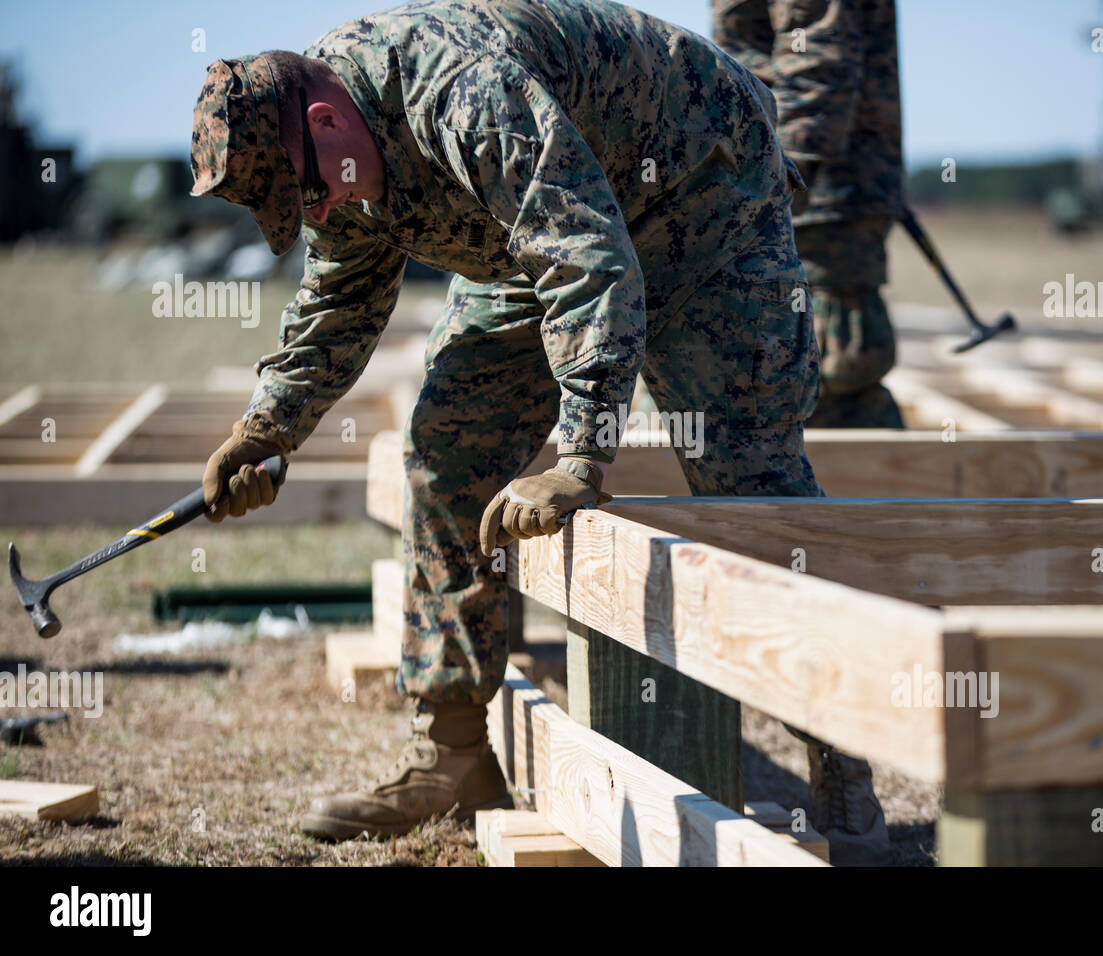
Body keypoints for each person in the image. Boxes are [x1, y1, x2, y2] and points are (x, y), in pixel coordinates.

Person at [192, 0, 881, 864]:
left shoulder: (460, 91)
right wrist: (266, 429)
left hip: (699, 195)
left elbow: (586, 256)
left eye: (312, 193)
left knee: (749, 479)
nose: (320, 215)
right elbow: (337, 301)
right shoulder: (330, 151)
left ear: (325, 120)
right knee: (447, 453)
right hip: (536, 234)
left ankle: (841, 766)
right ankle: (453, 756)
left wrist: (582, 454)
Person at [713, 0, 906, 429]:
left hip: (818, 198)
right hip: (798, 183)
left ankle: (871, 487)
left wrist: (778, 182)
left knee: (834, 368)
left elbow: (816, 58)